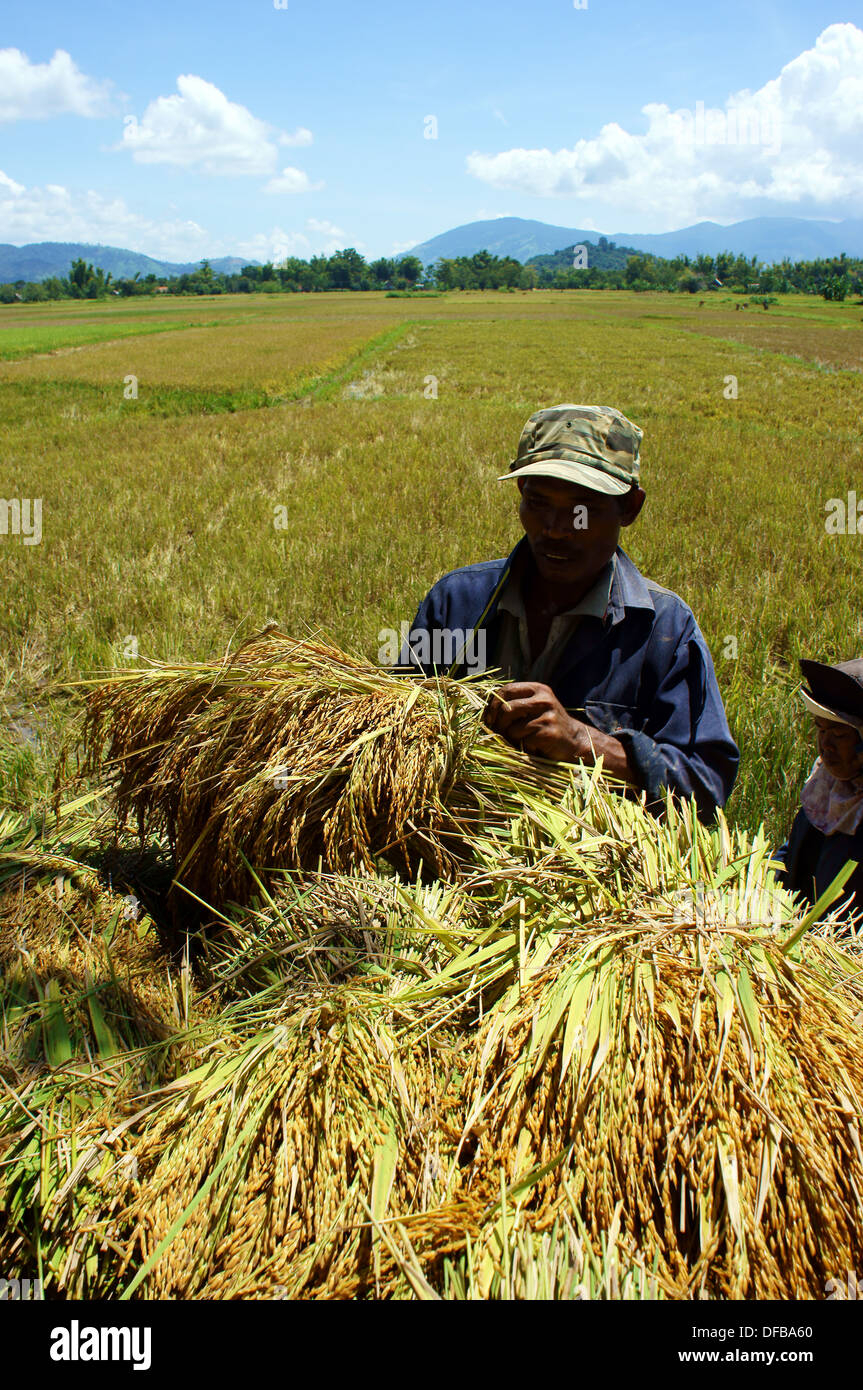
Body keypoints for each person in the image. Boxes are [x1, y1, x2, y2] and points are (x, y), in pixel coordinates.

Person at [398, 403, 738, 819]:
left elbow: (706, 788)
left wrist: (584, 743)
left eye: (583, 509)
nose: (556, 527)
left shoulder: (664, 630)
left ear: (629, 508)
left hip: (593, 868)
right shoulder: (455, 604)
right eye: (538, 502)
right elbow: (392, 730)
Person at [773, 658, 863, 918]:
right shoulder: (825, 788)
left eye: (839, 735)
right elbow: (793, 853)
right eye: (821, 730)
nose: (826, 746)